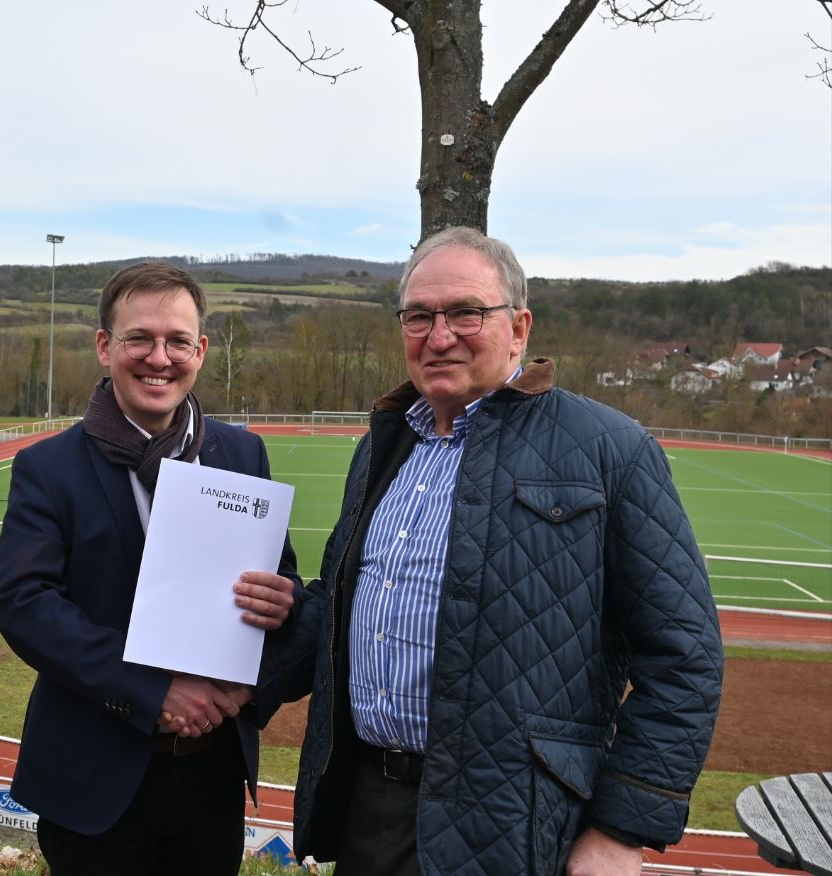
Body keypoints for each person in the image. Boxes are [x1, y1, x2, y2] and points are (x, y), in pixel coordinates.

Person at [267, 227, 723, 875]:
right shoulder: (383, 449)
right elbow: (341, 613)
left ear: (518, 327)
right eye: (419, 315)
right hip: (372, 808)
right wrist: (225, 681)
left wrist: (621, 828)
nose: (439, 334)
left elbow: (684, 655)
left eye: (465, 312)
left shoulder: (608, 448)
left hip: (514, 823)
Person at [0, 261, 301, 875]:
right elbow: (26, 605)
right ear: (106, 347)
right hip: (94, 780)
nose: (159, 358)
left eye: (178, 341)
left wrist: (276, 613)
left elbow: (279, 582)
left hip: (212, 773)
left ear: (201, 351)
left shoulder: (242, 453)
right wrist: (151, 691)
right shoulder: (48, 468)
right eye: (140, 339)